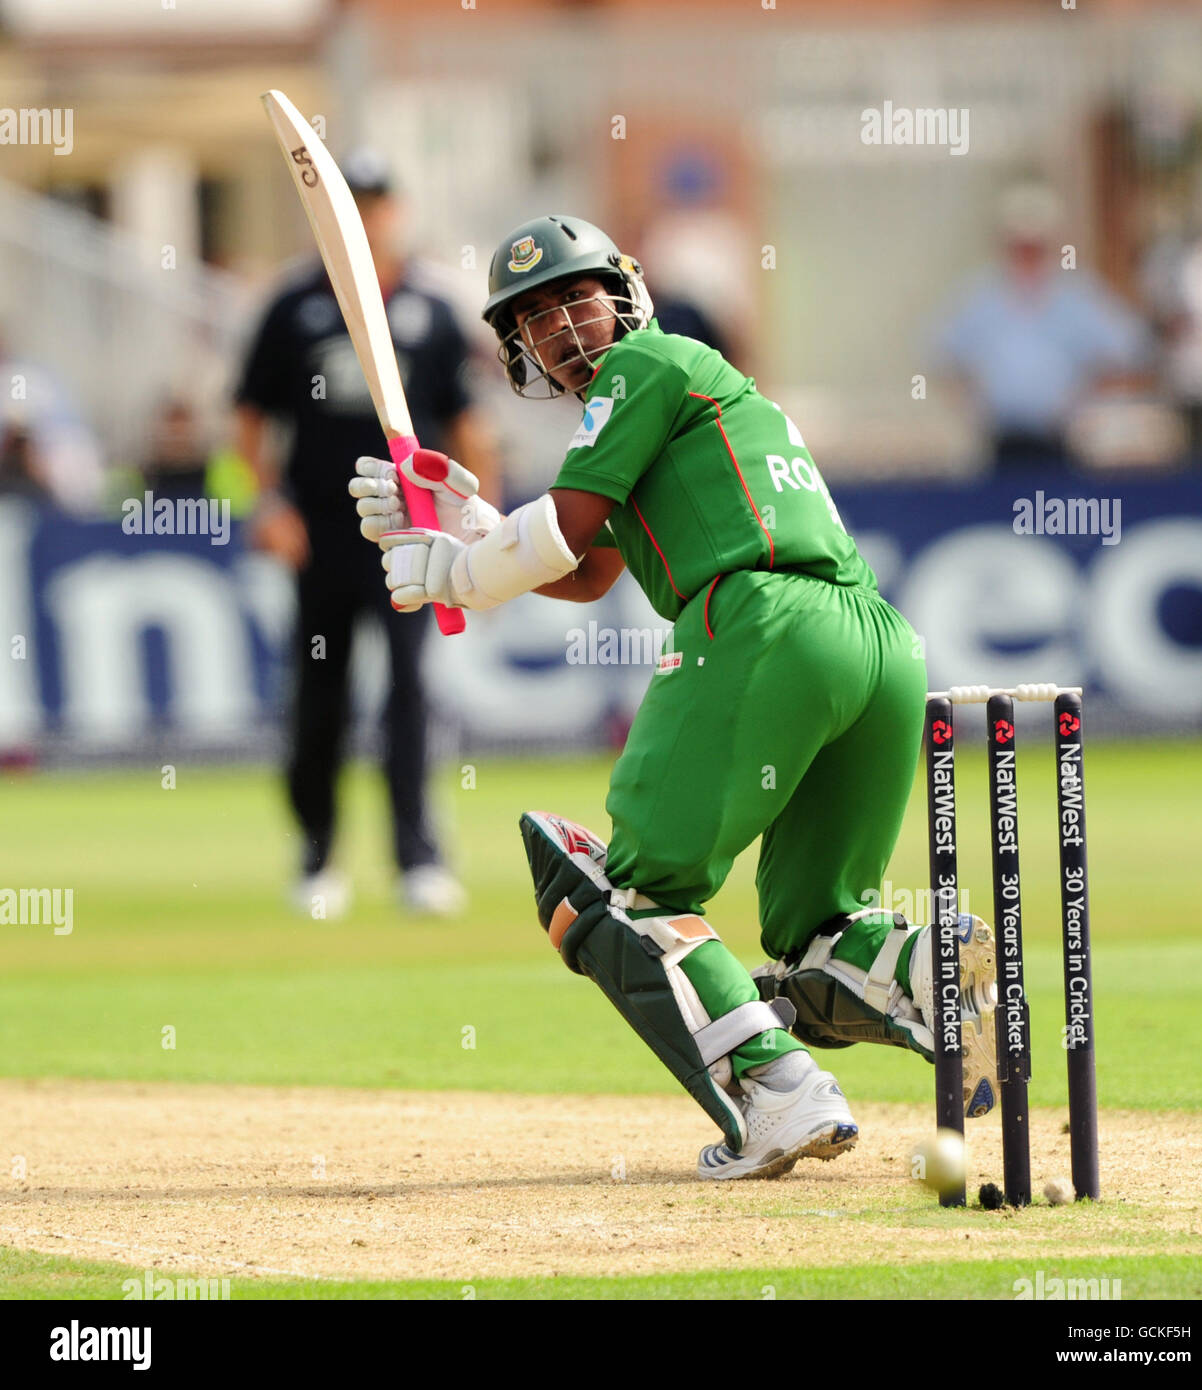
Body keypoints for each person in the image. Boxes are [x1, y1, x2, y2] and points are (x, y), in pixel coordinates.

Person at [350, 215, 997, 1180]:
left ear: (624, 291)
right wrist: (472, 522)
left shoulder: (645, 365)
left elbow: (560, 535)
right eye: (533, 316)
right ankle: (930, 975)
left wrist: (453, 571)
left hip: (763, 624)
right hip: (874, 645)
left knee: (624, 894)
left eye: (574, 297)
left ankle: (778, 1095)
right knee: (815, 932)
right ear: (517, 347)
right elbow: (585, 569)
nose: (561, 327)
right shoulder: (668, 388)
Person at [235, 152, 494, 919]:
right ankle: (317, 855)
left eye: (381, 202)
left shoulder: (431, 309)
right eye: (358, 203)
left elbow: (468, 423)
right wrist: (267, 505)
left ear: (397, 210)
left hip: (411, 538)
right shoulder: (294, 307)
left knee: (410, 693)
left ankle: (417, 857)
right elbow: (250, 417)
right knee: (321, 696)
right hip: (320, 533)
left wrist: (482, 523)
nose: (371, 217)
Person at [935, 184, 1151, 472]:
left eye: (1034, 246)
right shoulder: (978, 297)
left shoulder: (1078, 297)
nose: (1026, 255)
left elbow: (1130, 351)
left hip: (1062, 441)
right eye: (1019, 245)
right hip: (998, 442)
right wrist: (971, 403)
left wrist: (1087, 400)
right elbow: (942, 356)